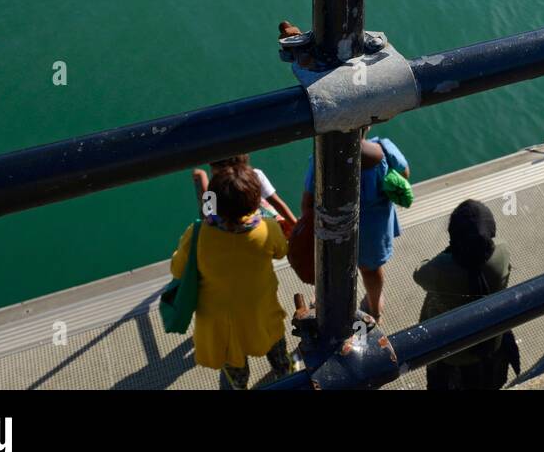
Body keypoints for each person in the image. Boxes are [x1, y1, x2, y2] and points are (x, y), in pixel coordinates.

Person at [169, 165, 294, 390]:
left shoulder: (197, 235)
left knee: (236, 376)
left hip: (220, 325)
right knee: (281, 360)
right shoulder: (267, 229)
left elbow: (178, 270)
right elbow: (282, 251)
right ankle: (285, 378)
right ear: (256, 202)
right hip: (262, 313)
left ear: (214, 202)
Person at [300, 136, 409, 321]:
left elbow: (307, 203)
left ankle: (325, 304)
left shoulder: (323, 157)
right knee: (371, 270)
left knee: (332, 270)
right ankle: (374, 310)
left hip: (335, 229)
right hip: (374, 230)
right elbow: (404, 174)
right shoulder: (385, 149)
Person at [413, 199, 520, 389]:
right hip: (492, 343)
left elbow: (418, 273)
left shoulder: (440, 269)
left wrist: (448, 252)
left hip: (451, 354)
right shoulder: (502, 252)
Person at [193, 154, 298, 237]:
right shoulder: (256, 174)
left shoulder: (218, 184)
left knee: (211, 216)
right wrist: (295, 224)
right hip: (256, 220)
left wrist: (202, 176)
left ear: (216, 168)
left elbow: (209, 207)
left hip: (230, 226)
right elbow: (276, 202)